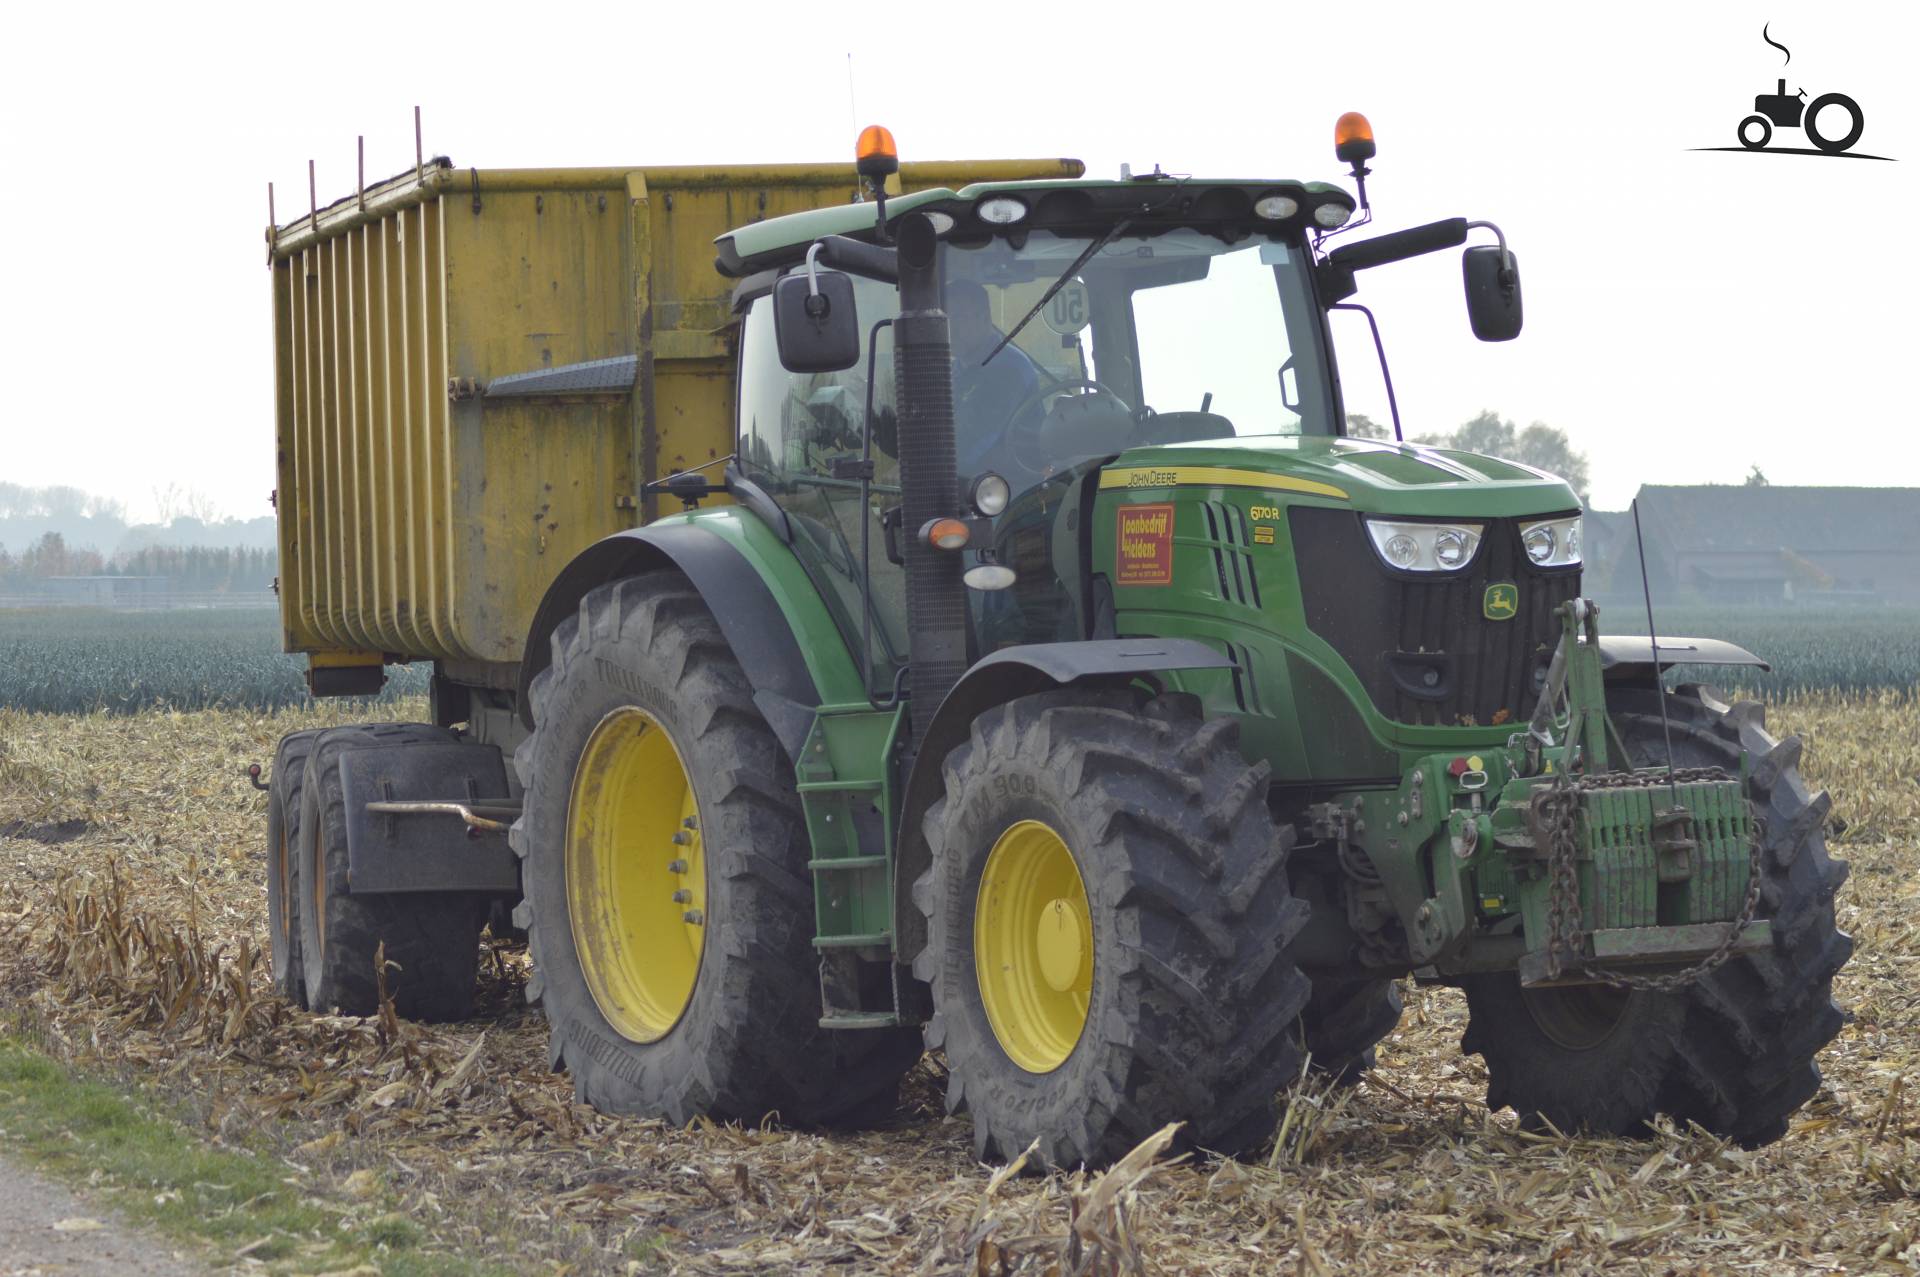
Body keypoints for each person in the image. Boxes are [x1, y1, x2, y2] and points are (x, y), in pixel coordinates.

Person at [945, 280, 1042, 476]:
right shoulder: (957, 369)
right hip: (978, 487)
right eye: (946, 319)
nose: (950, 329)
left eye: (958, 318)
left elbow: (972, 440)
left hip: (1016, 489)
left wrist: (924, 465)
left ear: (985, 318)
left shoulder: (1009, 368)